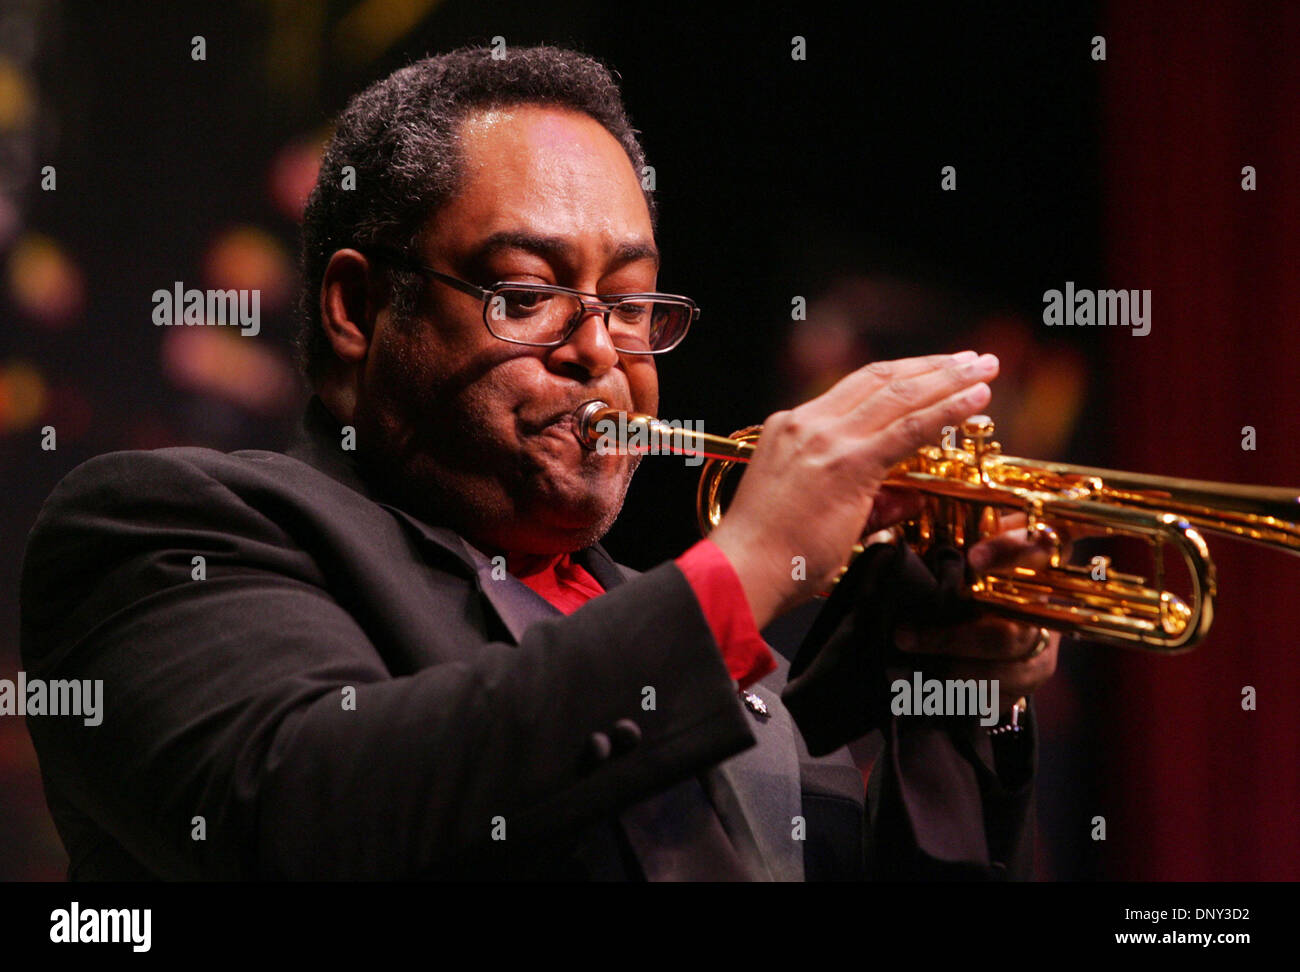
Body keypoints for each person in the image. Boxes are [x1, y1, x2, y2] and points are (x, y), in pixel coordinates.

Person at [19, 45, 1058, 881]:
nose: (599, 350)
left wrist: (953, 697)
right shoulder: (168, 532)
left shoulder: (737, 677)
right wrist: (750, 565)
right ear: (356, 308)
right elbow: (296, 821)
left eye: (631, 302)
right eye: (526, 293)